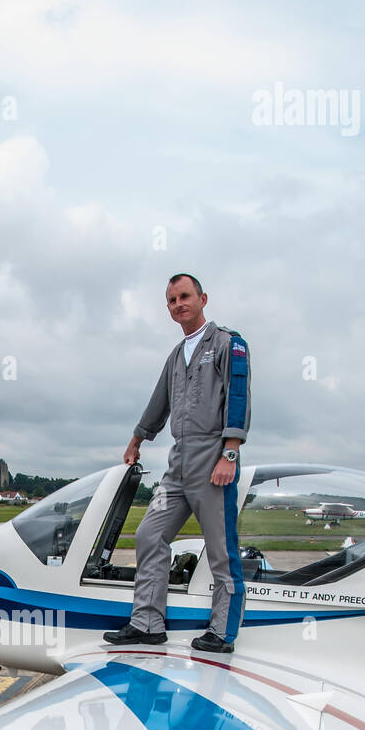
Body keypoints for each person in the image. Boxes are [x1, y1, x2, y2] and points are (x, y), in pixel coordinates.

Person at [104, 273, 250, 653]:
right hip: (178, 461)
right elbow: (159, 402)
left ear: (203, 298)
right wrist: (138, 438)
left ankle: (222, 632)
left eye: (185, 296)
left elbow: (238, 398)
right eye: (171, 300)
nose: (178, 304)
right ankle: (148, 623)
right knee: (150, 534)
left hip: (212, 458)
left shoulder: (227, 343)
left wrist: (229, 453)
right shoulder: (175, 355)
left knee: (221, 550)